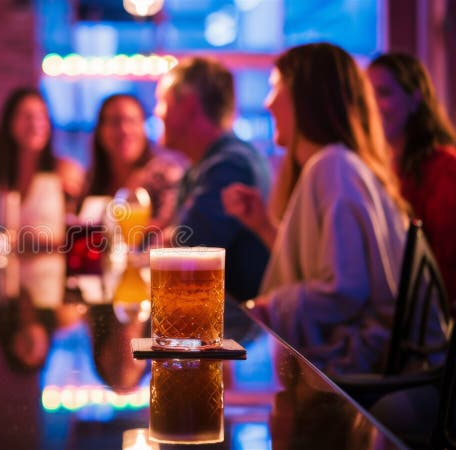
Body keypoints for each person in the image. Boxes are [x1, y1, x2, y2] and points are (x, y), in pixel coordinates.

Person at [223, 43, 421, 375]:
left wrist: (266, 307)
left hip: (368, 372)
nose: (268, 103)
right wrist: (264, 227)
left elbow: (345, 290)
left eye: (275, 88)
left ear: (304, 98)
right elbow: (332, 267)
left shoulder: (333, 167)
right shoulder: (340, 164)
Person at [156, 57, 272, 302]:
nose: (157, 112)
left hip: (229, 329)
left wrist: (169, 237)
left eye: (162, 102)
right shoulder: (207, 164)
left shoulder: (229, 166)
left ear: (187, 107)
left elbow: (185, 254)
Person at [367, 52, 456, 309]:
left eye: (383, 93)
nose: (373, 105)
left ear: (415, 99)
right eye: (367, 96)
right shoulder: (380, 169)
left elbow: (445, 273)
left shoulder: (444, 169)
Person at [0, 88, 69, 246]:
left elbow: (76, 231)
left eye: (41, 117)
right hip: (3, 265)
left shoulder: (63, 171)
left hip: (51, 266)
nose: (35, 124)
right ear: (10, 122)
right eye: (27, 117)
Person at [83, 94, 186, 229]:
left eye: (132, 121)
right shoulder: (92, 179)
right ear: (100, 130)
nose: (124, 130)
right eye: (115, 122)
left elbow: (172, 227)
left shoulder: (165, 174)